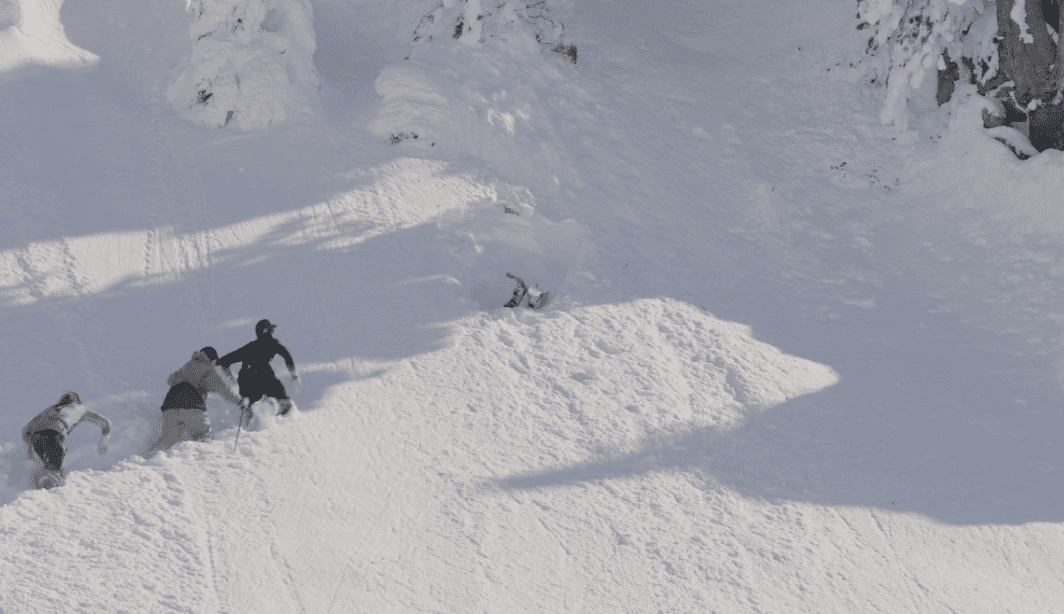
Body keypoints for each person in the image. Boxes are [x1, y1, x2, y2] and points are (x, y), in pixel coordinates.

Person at [144, 346, 247, 457]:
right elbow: (222, 389)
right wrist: (239, 402)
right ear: (212, 360)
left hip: (170, 404)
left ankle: (147, 459)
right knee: (202, 435)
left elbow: (171, 380)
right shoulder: (208, 368)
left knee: (168, 439)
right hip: (192, 403)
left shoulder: (187, 366)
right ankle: (206, 462)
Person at [21, 392, 111, 489]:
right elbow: (106, 423)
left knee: (46, 467)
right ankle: (47, 489)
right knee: (54, 471)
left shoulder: (51, 409)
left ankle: (37, 485)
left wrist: (29, 451)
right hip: (55, 435)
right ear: (77, 402)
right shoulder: (81, 409)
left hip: (36, 438)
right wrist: (103, 442)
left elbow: (26, 430)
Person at [217, 319, 301, 417]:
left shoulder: (249, 347)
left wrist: (231, 378)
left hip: (245, 382)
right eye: (271, 330)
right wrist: (294, 374)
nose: (273, 333)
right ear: (268, 331)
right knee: (282, 398)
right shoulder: (273, 344)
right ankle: (278, 416)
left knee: (253, 405)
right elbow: (287, 356)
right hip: (261, 378)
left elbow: (225, 361)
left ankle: (253, 414)